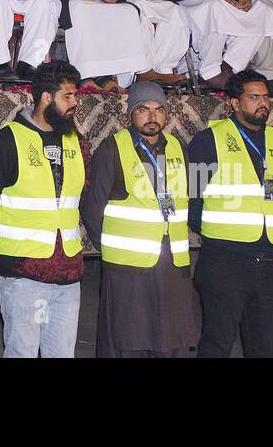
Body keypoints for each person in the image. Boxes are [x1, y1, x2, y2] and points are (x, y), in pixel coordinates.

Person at [0, 60, 89, 357]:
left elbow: (78, 200)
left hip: (69, 273)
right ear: (46, 98)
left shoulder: (77, 142)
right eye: (68, 96)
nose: (75, 102)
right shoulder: (7, 141)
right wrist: (16, 241)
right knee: (22, 351)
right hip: (24, 274)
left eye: (75, 96)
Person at [80, 80, 197, 357]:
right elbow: (92, 209)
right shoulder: (112, 149)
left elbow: (188, 199)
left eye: (159, 109)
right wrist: (115, 249)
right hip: (128, 269)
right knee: (127, 342)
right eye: (143, 109)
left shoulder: (179, 148)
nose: (152, 116)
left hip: (172, 263)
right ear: (130, 113)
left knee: (169, 340)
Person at [187, 70, 273, 358]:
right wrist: (220, 236)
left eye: (265, 97)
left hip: (269, 262)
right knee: (217, 344)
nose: (263, 103)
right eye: (254, 97)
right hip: (225, 263)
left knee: (263, 348)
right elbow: (193, 199)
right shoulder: (209, 140)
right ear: (233, 103)